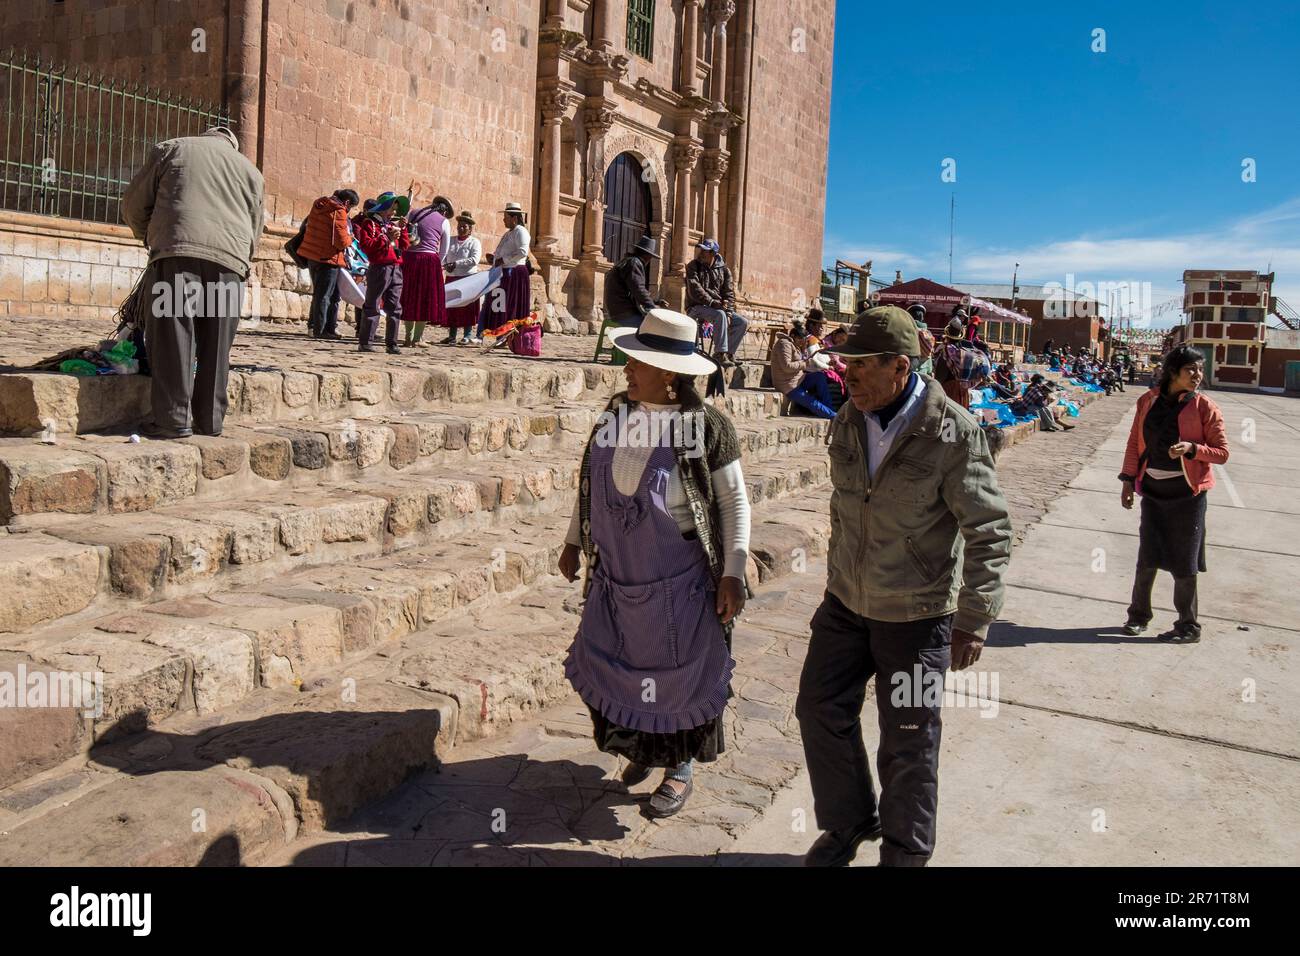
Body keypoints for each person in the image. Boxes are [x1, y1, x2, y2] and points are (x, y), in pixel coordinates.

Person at [796, 305, 1012, 867]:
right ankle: (848, 823)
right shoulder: (849, 417)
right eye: (848, 364)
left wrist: (974, 618)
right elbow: (846, 510)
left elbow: (988, 530)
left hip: (917, 616)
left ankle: (905, 853)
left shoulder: (953, 433)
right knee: (819, 709)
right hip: (845, 604)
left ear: (900, 366)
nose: (850, 376)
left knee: (909, 740)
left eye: (864, 366)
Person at [559, 308, 751, 819]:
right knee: (619, 665)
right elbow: (590, 484)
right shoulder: (616, 413)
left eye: (636, 363)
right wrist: (575, 541)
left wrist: (733, 571)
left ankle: (678, 767)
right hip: (619, 576)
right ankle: (643, 750)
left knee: (677, 677)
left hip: (679, 584)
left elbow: (733, 502)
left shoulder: (705, 427)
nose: (626, 369)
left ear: (669, 374)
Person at [122, 126, 264, 439]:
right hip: (230, 263)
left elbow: (134, 204)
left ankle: (173, 420)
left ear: (204, 136)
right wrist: (241, 259)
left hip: (178, 253)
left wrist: (151, 235)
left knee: (173, 334)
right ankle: (210, 420)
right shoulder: (252, 172)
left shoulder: (172, 148)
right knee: (216, 345)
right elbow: (256, 228)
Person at [1118, 345, 1228, 644]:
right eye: (1190, 369)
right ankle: (1138, 617)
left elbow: (1221, 453)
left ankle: (1188, 626)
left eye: (1199, 369)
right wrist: (1128, 480)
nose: (1197, 375)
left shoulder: (1205, 407)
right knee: (1147, 558)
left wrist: (1193, 449)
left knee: (1184, 563)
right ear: (1172, 372)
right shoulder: (1148, 401)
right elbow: (1134, 443)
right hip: (1152, 493)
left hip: (1187, 497)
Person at [353, 191, 410, 353]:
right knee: (372, 304)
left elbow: (404, 246)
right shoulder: (370, 224)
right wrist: (386, 238)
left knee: (395, 306)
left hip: (396, 268)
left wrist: (403, 231)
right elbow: (366, 246)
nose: (394, 212)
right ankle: (366, 342)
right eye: (392, 208)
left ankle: (392, 343)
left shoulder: (391, 225)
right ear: (383, 208)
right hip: (379, 268)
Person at [298, 188, 358, 340]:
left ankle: (313, 327)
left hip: (312, 256)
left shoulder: (319, 205)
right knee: (325, 296)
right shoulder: (339, 211)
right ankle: (320, 329)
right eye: (351, 207)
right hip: (328, 258)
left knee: (318, 293)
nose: (349, 210)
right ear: (347, 202)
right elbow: (341, 242)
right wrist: (351, 237)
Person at [684, 238, 748, 366]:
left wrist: (729, 312)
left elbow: (729, 294)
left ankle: (729, 353)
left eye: (705, 251)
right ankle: (719, 353)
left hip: (716, 307)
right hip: (696, 307)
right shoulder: (693, 266)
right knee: (720, 315)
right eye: (701, 250)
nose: (701, 253)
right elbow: (695, 290)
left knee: (742, 322)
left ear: (713, 253)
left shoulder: (724, 270)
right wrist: (712, 302)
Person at [400, 195, 453, 347]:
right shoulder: (444, 222)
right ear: (445, 212)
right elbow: (444, 249)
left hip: (408, 258)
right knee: (425, 298)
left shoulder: (413, 213)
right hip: (429, 260)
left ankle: (408, 336)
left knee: (409, 296)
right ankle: (417, 338)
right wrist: (438, 263)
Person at [475, 201, 531, 341]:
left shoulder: (521, 232)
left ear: (514, 218)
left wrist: (503, 260)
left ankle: (507, 335)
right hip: (503, 272)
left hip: (514, 273)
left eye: (506, 217)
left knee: (510, 305)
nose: (503, 219)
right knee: (498, 304)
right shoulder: (508, 234)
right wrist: (495, 258)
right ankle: (495, 333)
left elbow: (522, 252)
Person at [770, 320, 836, 418]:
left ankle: (830, 408)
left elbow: (802, 361)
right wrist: (804, 364)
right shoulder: (784, 344)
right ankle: (834, 416)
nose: (802, 341)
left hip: (798, 379)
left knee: (820, 376)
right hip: (788, 385)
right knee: (811, 402)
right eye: (800, 339)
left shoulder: (795, 345)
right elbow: (787, 367)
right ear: (792, 336)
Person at [440, 211, 483, 345]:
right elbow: (444, 253)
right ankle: (452, 335)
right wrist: (446, 265)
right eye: (459, 226)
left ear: (470, 229)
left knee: (466, 307)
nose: (461, 228)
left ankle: (467, 334)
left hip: (467, 278)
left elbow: (474, 259)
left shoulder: (474, 242)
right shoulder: (451, 240)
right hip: (453, 277)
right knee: (452, 307)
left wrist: (456, 264)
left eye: (464, 226)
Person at [604, 235, 661, 327]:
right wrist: (653, 307)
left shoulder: (628, 262)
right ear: (648, 256)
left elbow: (633, 290)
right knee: (656, 327)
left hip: (617, 310)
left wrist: (655, 302)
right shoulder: (634, 263)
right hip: (625, 314)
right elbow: (638, 289)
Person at [933, 316, 990, 409]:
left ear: (947, 334)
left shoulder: (945, 352)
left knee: (948, 418)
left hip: (948, 391)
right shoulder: (964, 354)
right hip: (963, 392)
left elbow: (939, 377)